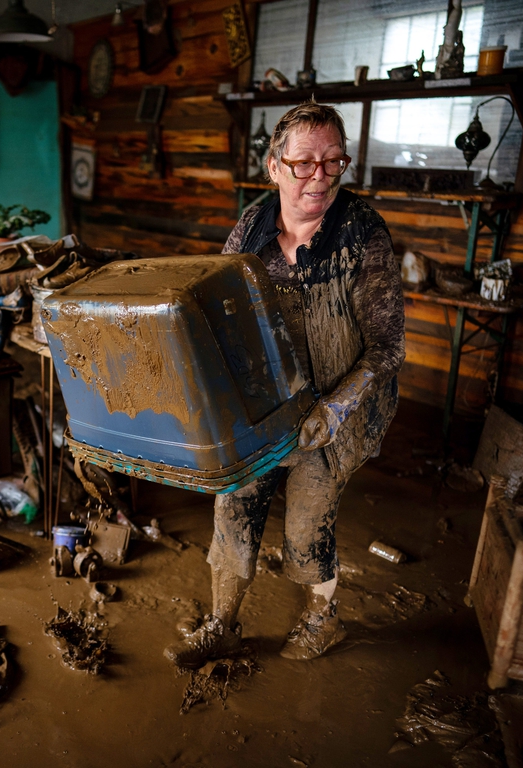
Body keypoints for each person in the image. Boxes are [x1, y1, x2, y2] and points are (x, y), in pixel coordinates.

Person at [164, 102, 405, 666]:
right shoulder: (249, 230)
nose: (319, 176)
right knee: (236, 502)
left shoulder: (363, 234)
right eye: (303, 163)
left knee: (305, 520)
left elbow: (387, 348)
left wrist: (338, 408)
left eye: (333, 161)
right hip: (267, 401)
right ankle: (222, 623)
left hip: (342, 400)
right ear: (274, 166)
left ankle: (323, 620)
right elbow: (217, 313)